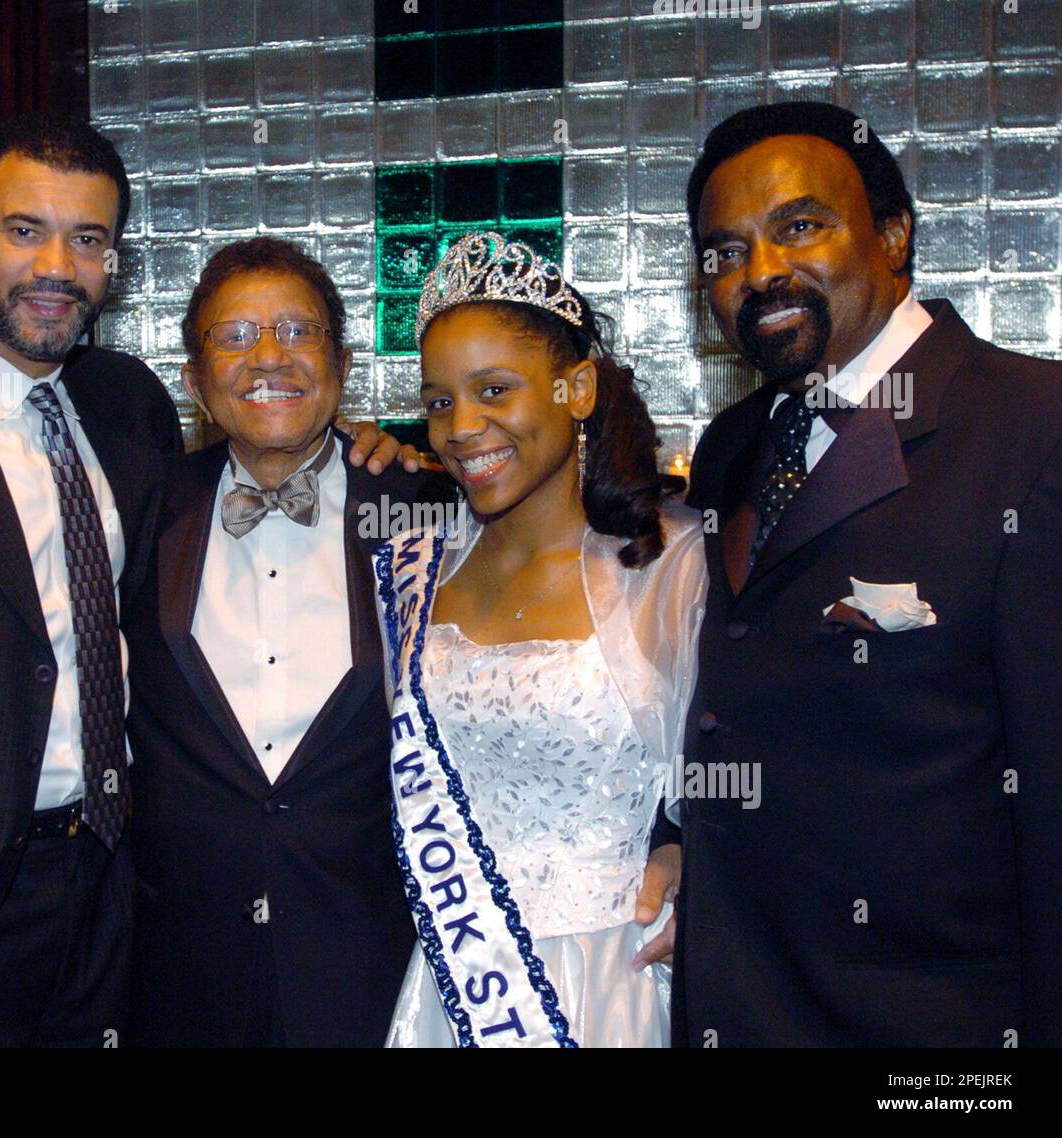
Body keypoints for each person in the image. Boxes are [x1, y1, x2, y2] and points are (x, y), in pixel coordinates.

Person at [0, 116, 400, 1047]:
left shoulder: (125, 406)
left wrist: (366, 448)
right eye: (26, 230)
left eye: (89, 239)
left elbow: (262, 460)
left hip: (114, 908)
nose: (56, 265)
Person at [641, 101, 1062, 1047]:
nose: (760, 273)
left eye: (799, 227)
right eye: (724, 251)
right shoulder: (734, 446)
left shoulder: (1035, 428)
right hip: (730, 1006)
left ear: (894, 236)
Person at [377, 232, 707, 1047]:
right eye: (440, 401)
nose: (461, 427)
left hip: (612, 981)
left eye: (494, 389)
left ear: (578, 388)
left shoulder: (669, 562)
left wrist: (698, 869)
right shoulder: (413, 562)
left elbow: (752, 766)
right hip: (455, 982)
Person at [125, 236, 454, 1047]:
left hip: (375, 967)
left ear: (341, 362)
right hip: (180, 978)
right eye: (233, 337)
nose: (268, 357)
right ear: (196, 382)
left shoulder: (431, 506)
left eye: (296, 331)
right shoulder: (135, 510)